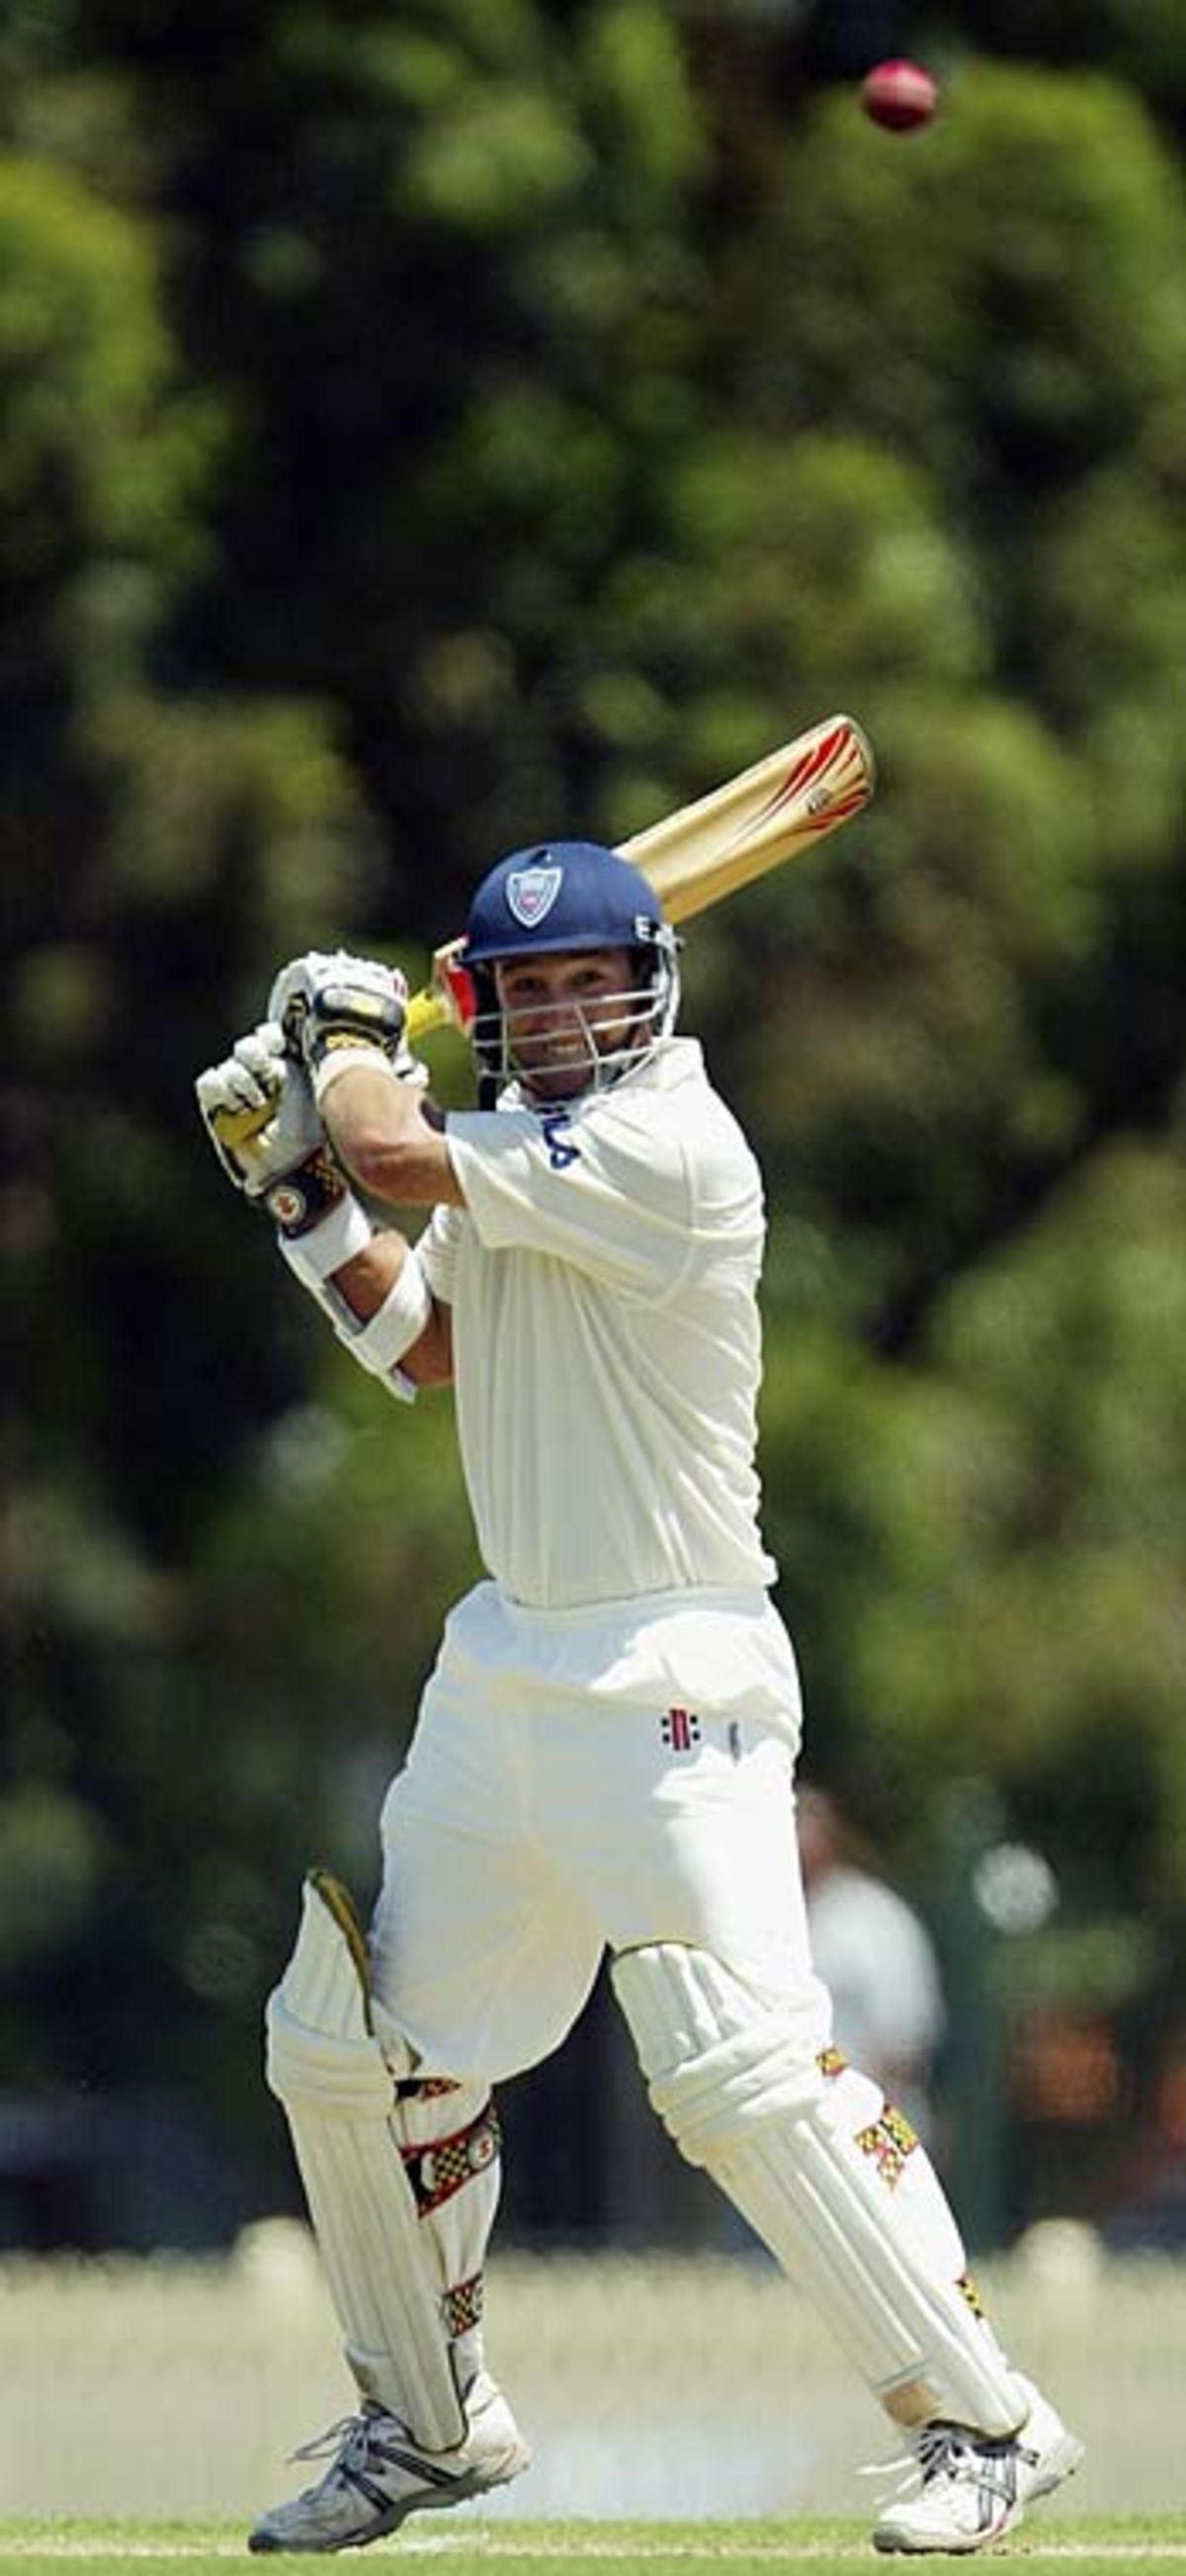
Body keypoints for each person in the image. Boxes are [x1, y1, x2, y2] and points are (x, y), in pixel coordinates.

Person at [196, 839, 1082, 2556]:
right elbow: (425, 1347)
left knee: (744, 2069)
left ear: (646, 987)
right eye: (520, 991)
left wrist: (343, 1038)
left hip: (676, 1662)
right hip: (510, 1660)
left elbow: (396, 1139)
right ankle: (430, 2424)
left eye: (578, 981)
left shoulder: (669, 1147)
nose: (551, 1010)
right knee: (363, 2052)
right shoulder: (518, 1157)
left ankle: (986, 2422)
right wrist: (305, 1195)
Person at [798, 1784, 947, 2146]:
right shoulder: (763, 1921)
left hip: (873, 2128)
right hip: (789, 2137)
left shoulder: (872, 1917)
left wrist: (857, 2113)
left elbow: (905, 2036)